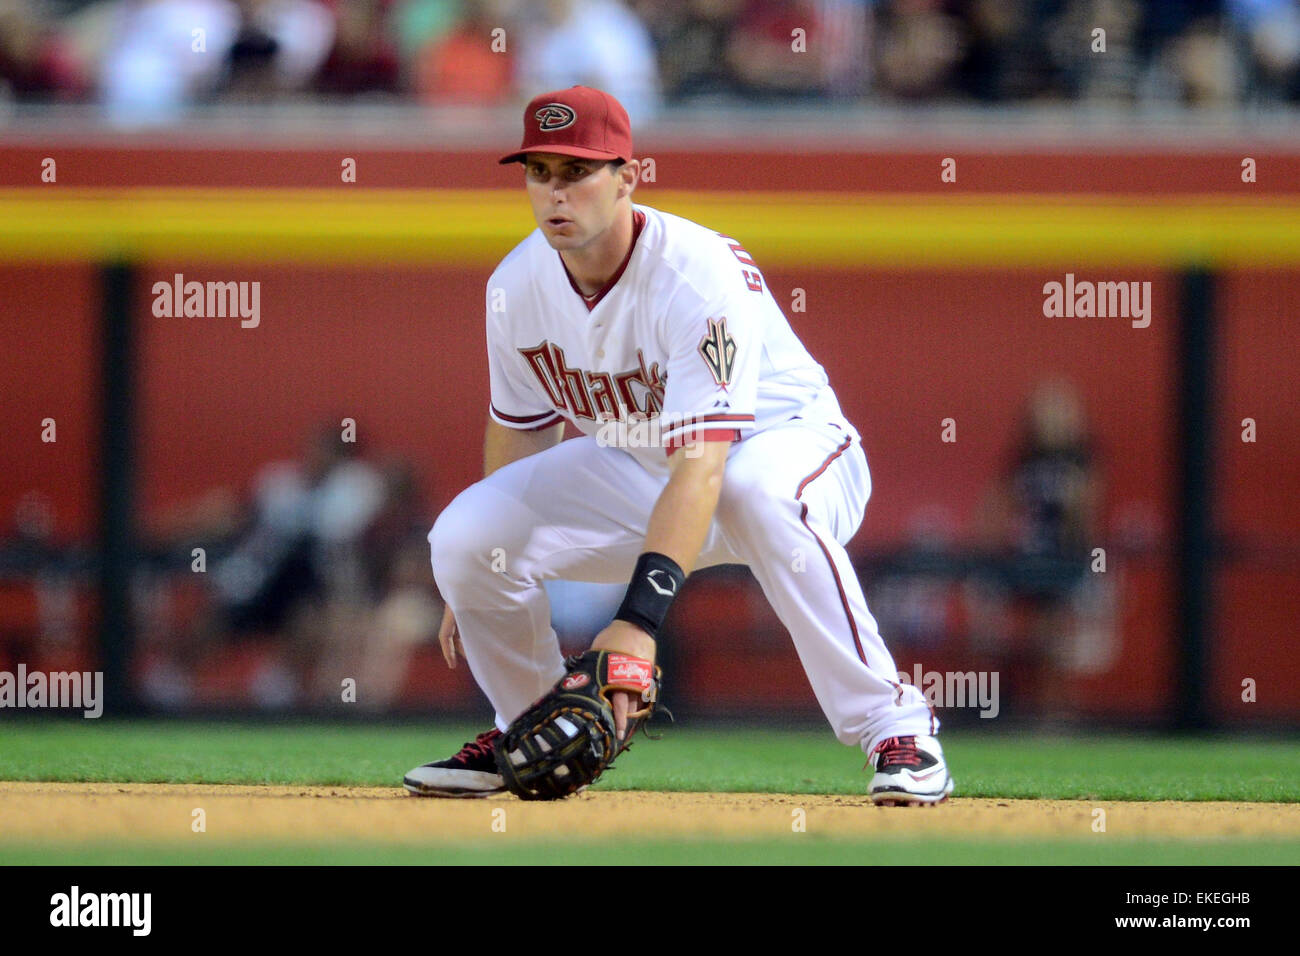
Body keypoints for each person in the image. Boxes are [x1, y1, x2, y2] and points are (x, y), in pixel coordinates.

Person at [403, 85, 952, 805]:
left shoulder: (696, 274)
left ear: (629, 176)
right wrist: (477, 573)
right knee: (464, 534)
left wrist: (636, 623)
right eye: (540, 172)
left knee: (756, 492)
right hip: (642, 464)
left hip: (787, 445)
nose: (555, 193)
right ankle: (534, 730)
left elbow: (705, 465)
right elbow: (522, 425)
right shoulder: (516, 285)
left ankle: (898, 730)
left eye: (578, 172)